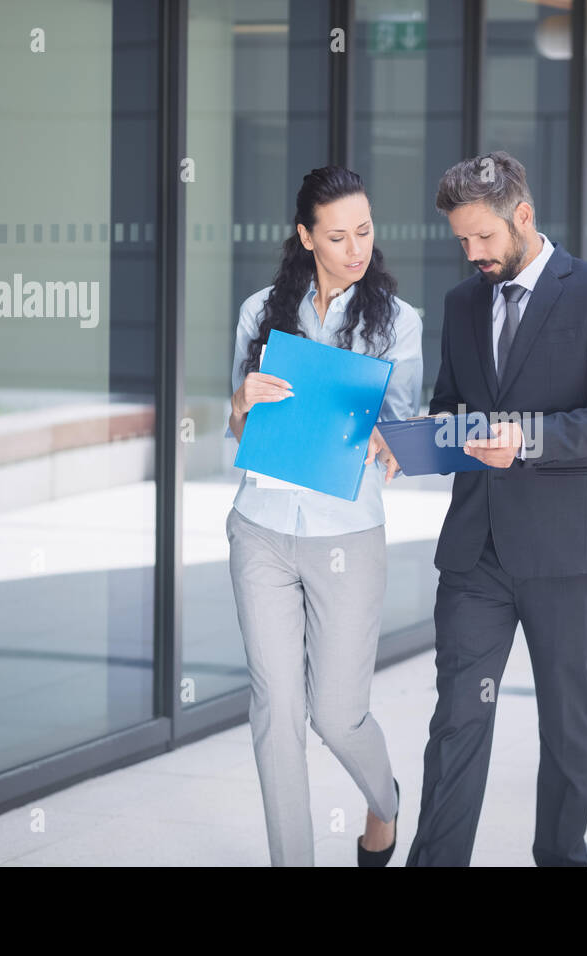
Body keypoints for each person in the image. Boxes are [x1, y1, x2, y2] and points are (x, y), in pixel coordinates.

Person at [404, 150, 587, 866]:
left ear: (524, 217)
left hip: (565, 553)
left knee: (567, 723)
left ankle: (560, 858)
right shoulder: (461, 302)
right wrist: (420, 441)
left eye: (483, 237)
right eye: (462, 240)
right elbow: (451, 404)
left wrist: (529, 439)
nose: (473, 253)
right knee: (457, 719)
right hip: (476, 550)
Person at [225, 165, 422, 866]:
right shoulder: (260, 314)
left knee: (336, 715)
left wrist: (385, 440)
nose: (355, 247)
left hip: (347, 538)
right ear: (306, 236)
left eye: (364, 231)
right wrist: (242, 402)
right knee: (276, 713)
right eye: (337, 236)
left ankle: (385, 802)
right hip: (261, 531)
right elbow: (236, 432)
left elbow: (407, 437)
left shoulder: (399, 324)